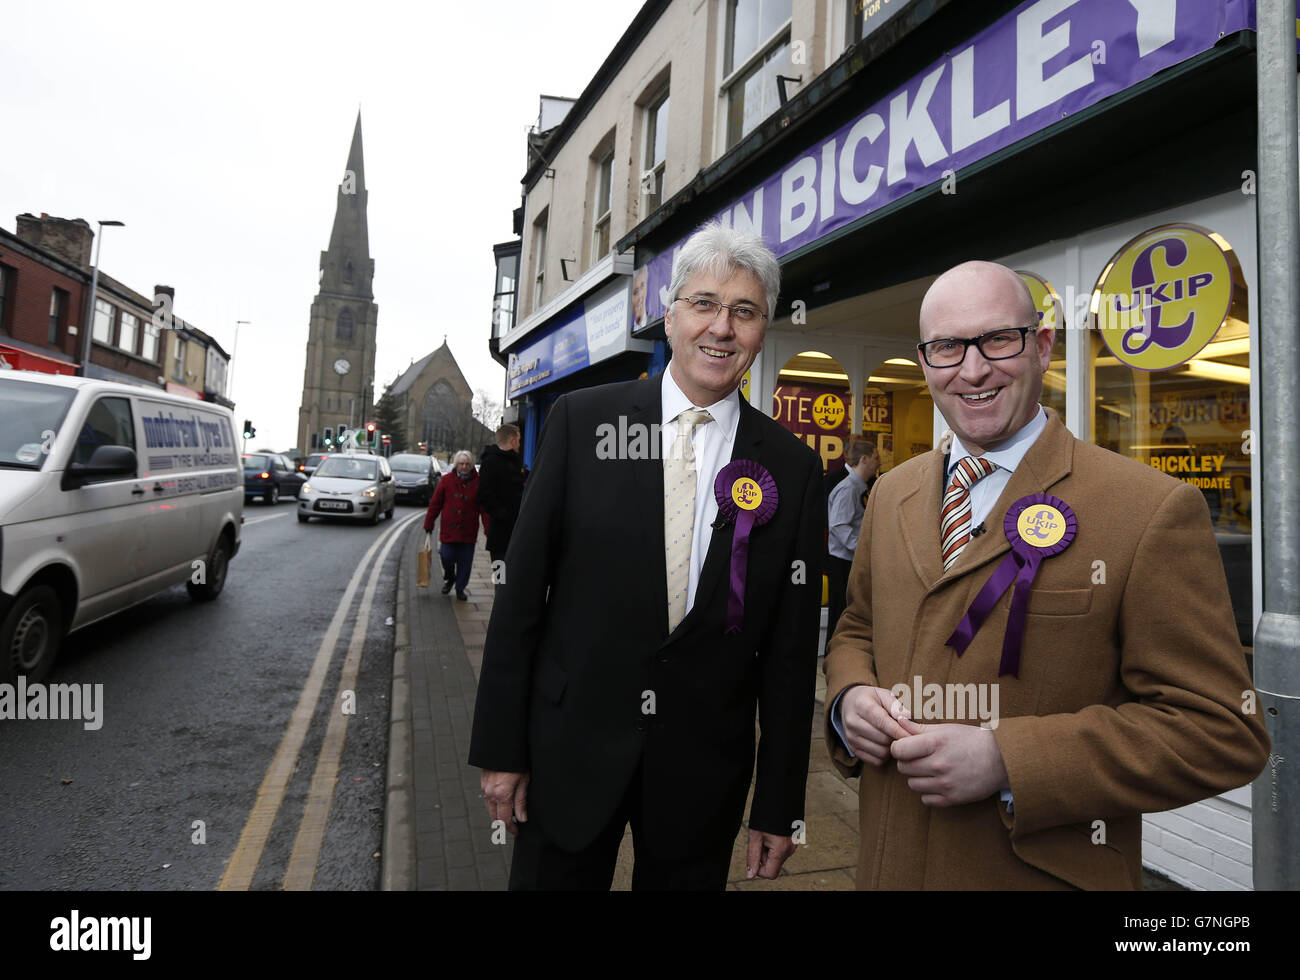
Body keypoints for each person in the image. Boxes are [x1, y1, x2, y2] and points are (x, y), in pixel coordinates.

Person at [824, 260, 1269, 889]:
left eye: (997, 340)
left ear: (1042, 345)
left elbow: (1221, 730)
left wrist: (1009, 760)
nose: (972, 369)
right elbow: (857, 628)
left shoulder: (1148, 509)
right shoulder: (891, 492)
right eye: (947, 347)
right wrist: (849, 699)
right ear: (924, 364)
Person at [469, 223, 824, 890]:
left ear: (763, 329)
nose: (722, 327)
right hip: (568, 753)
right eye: (704, 304)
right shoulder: (581, 423)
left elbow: (789, 653)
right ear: (671, 315)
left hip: (701, 775)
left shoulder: (793, 468)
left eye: (744, 312)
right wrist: (500, 749)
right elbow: (520, 602)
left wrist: (780, 804)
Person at [825, 438, 879, 643]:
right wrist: (862, 549)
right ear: (864, 459)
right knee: (841, 610)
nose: (879, 463)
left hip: (849, 558)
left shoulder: (859, 487)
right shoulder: (848, 489)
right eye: (875, 457)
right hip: (843, 560)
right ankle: (837, 650)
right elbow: (839, 525)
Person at [423, 450, 488, 601]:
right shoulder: (446, 480)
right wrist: (429, 523)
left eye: (467, 464)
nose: (464, 467)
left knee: (465, 562)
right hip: (449, 529)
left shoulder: (479, 483)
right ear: (456, 464)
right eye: (461, 464)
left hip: (468, 531)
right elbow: (435, 504)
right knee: (446, 555)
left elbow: (484, 509)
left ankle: (460, 589)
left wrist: (488, 527)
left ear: (472, 466)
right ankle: (450, 577)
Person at [476, 423, 525, 566]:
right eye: (519, 440)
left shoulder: (515, 461)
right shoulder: (491, 461)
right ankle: (499, 589)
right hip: (499, 534)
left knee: (512, 578)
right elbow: (483, 495)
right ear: (512, 439)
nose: (520, 444)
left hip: (516, 533)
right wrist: (502, 513)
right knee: (500, 576)